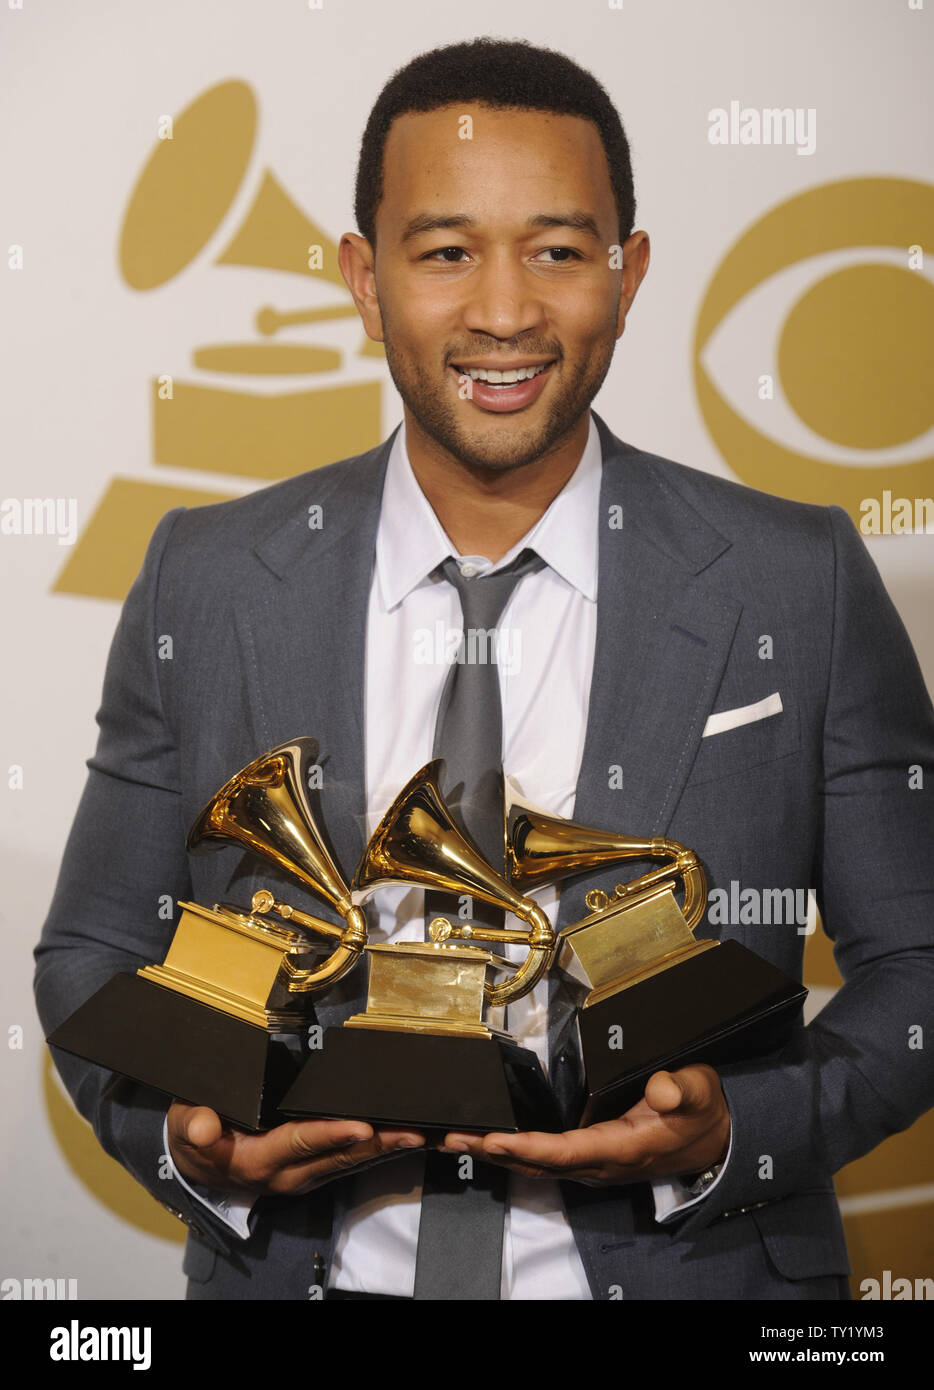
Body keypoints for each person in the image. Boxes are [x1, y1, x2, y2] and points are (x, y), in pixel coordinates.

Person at [35, 37, 934, 1302]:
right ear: (362, 277)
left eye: (560, 251)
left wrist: (741, 1132)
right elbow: (87, 951)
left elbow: (917, 962)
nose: (504, 312)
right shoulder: (208, 576)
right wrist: (202, 1150)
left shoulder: (800, 576)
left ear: (629, 277)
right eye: (446, 251)